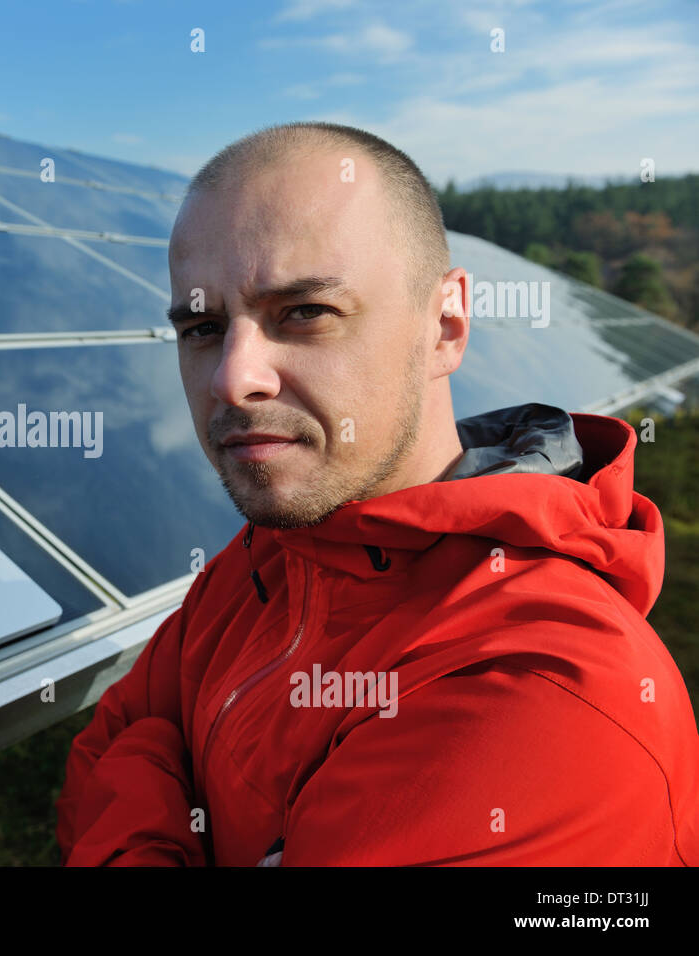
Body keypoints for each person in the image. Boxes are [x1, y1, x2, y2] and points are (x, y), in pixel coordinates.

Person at [54, 121, 699, 866]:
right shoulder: (280, 550)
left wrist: (145, 771)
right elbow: (109, 734)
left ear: (446, 326)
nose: (234, 379)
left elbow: (119, 752)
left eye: (305, 312)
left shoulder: (539, 701)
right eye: (202, 327)